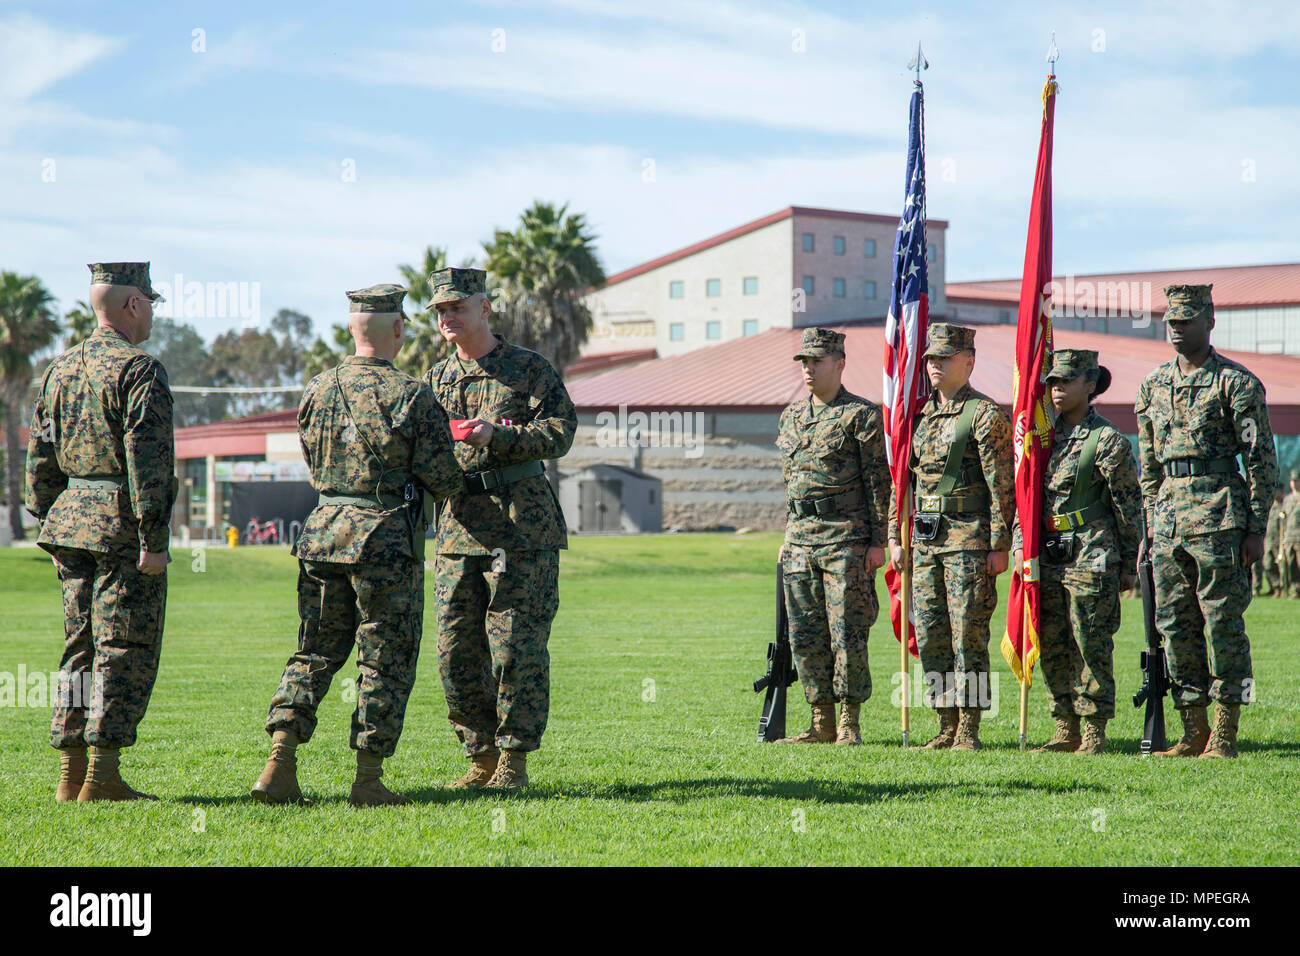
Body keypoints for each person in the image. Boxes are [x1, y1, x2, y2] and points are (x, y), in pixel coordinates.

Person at [252, 284, 462, 806]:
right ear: (398, 329)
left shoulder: (317, 388)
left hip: (321, 534)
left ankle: (279, 763)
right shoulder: (412, 395)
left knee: (314, 652)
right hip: (384, 541)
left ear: (352, 328)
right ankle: (367, 778)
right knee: (385, 657)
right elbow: (444, 477)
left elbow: (311, 459)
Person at [24, 262, 176, 802]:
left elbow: (39, 454)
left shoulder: (57, 369)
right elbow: (148, 462)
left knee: (79, 646)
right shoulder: (140, 370)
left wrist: (47, 518)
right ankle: (102, 776)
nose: (153, 311)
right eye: (150, 300)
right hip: (120, 526)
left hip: (70, 522)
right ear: (134, 304)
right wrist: (154, 539)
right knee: (122, 647)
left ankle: (70, 776)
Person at [424, 267, 577, 790]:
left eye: (457, 308)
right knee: (454, 650)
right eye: (441, 311)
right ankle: (481, 755)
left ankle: (514, 759)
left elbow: (561, 432)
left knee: (515, 646)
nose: (448, 317)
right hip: (457, 528)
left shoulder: (527, 367)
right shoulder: (436, 376)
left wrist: (499, 438)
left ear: (484, 308)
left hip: (520, 526)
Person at [1135, 284, 1278, 759]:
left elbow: (1261, 462)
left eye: (1186, 321)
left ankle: (1224, 733)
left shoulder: (1236, 384)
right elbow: (1149, 466)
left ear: (1209, 321)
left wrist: (1256, 528)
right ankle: (1191, 728)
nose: (1176, 329)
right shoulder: (1153, 386)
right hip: (1169, 521)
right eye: (1171, 322)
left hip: (1220, 517)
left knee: (1222, 625)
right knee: (1174, 625)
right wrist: (1151, 523)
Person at [889, 323, 1013, 751]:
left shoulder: (985, 414)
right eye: (930, 358)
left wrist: (1000, 545)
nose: (935, 365)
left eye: (944, 357)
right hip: (925, 543)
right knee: (931, 634)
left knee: (967, 636)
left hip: (968, 542)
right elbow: (901, 483)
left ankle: (970, 729)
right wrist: (894, 535)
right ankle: (945, 724)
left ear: (969, 361)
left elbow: (1002, 487)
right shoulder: (918, 416)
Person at [1013, 350, 1140, 755]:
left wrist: (1128, 560)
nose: (1057, 389)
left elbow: (1127, 506)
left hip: (1092, 551)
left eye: (1066, 381)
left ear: (1090, 386)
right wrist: (1020, 543)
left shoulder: (1107, 441)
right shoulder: (1039, 437)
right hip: (1048, 552)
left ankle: (1093, 730)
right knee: (1051, 640)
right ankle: (1063, 724)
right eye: (1052, 382)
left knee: (1090, 640)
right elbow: (1026, 498)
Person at [773, 328, 889, 746]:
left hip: (847, 539)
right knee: (805, 633)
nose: (808, 368)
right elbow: (791, 484)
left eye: (816, 361)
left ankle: (848, 723)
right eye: (804, 361)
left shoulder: (860, 415)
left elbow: (879, 483)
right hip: (802, 540)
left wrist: (879, 541)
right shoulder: (790, 416)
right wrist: (788, 533)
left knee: (848, 632)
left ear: (839, 363)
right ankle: (819, 721)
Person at [1256, 488, 1285, 597]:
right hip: (1268, 541)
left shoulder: (1284, 505)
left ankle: (1283, 589)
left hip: (1279, 541)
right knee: (1268, 565)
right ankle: (1275, 586)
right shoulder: (1269, 507)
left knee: (1281, 567)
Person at [1281, 471, 1300, 598]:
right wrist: (1282, 538)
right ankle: (1295, 590)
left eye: (1296, 480)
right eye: (1292, 481)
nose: (1294, 483)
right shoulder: (1287, 500)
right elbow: (1283, 521)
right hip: (1289, 538)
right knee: (1291, 566)